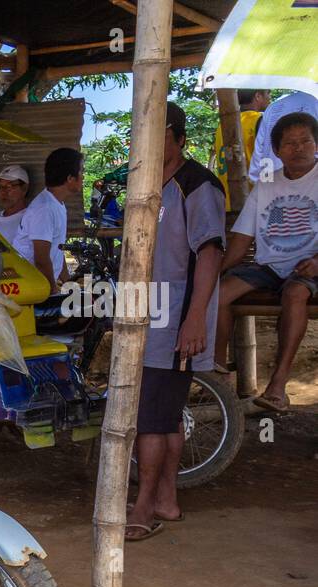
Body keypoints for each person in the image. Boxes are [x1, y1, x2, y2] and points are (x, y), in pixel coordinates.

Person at [127, 102, 225, 542]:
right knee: (162, 416)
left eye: (157, 132)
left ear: (179, 137)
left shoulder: (197, 184)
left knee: (150, 417)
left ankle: (144, 504)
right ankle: (166, 497)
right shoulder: (144, 185)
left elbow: (210, 252)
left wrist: (196, 320)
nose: (145, 141)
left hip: (177, 322)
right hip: (146, 317)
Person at [215, 112, 318, 412]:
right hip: (269, 266)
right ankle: (218, 377)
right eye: (289, 143)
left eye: (305, 141)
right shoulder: (267, 183)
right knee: (218, 295)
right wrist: (215, 272)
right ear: (276, 151)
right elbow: (243, 237)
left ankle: (278, 386)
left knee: (295, 293)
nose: (298, 148)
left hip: (309, 268)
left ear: (316, 144)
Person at [12, 148, 83, 294]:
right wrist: (53, 291)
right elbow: (42, 259)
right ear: (70, 178)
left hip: (41, 283)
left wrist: (68, 283)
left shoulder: (57, 204)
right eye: (81, 172)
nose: (83, 177)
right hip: (31, 287)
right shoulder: (45, 209)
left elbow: (56, 250)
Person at [213, 89, 269, 207]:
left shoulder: (222, 125)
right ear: (258, 96)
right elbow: (267, 164)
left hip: (228, 205)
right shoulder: (259, 120)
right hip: (252, 204)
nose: (269, 98)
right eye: (268, 93)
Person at [249, 91, 318, 184]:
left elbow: (260, 149)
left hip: (271, 178)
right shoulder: (314, 103)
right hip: (308, 179)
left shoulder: (273, 107)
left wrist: (258, 181)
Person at [0, 165, 30, 242]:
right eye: (0, 187)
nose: (3, 192)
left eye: (9, 186)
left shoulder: (32, 219)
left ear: (24, 189)